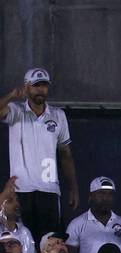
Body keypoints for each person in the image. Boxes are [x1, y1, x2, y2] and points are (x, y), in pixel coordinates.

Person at [1, 69, 76, 241]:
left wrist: (73, 187)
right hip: (21, 190)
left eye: (44, 85)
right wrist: (11, 96)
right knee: (21, 240)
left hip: (48, 190)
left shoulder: (58, 115)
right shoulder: (15, 111)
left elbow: (66, 154)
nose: (41, 90)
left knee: (48, 242)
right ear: (26, 88)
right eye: (36, 86)